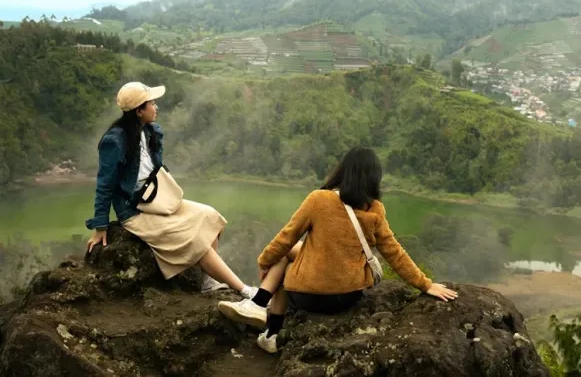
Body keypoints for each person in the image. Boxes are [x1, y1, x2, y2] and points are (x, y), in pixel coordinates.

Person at [217, 147, 458, 354]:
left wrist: (264, 262)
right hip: (347, 297)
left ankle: (265, 318)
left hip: (306, 295)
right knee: (290, 255)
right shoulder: (376, 210)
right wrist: (426, 285)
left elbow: (286, 238)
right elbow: (395, 253)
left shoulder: (318, 199)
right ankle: (262, 317)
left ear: (343, 171)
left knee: (284, 262)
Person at [85, 81, 258, 298]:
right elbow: (104, 185)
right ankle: (244, 291)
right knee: (196, 242)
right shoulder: (114, 141)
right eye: (151, 103)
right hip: (135, 210)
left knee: (211, 218)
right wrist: (100, 224)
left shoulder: (150, 132)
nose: (156, 107)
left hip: (158, 200)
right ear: (139, 111)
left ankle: (206, 279)